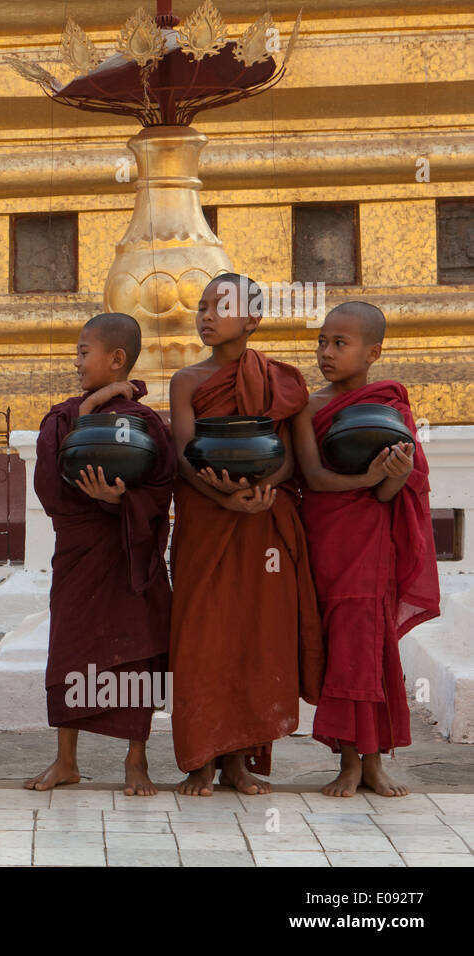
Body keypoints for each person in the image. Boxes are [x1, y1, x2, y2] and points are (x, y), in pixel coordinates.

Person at [168, 273, 323, 796]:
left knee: (255, 636)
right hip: (206, 519)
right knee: (202, 635)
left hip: (264, 522)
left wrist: (262, 491)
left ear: (253, 319)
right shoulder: (186, 381)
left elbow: (295, 459)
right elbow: (185, 455)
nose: (206, 315)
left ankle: (238, 762)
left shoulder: (283, 379)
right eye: (202, 306)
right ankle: (200, 761)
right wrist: (223, 498)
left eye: (221, 307)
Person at [291, 301, 440, 798]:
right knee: (340, 647)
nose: (326, 352)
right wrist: (370, 476)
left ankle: (370, 762)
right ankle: (349, 762)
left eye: (340, 343)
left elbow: (391, 490)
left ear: (373, 352)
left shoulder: (391, 406)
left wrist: (387, 479)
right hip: (326, 536)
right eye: (322, 342)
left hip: (370, 542)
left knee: (369, 647)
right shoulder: (310, 407)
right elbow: (312, 477)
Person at [27, 313, 174, 796]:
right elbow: (50, 486)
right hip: (81, 552)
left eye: (83, 352)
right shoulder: (64, 416)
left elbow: (160, 487)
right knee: (72, 649)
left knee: (136, 652)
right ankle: (65, 759)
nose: (76, 361)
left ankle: (137, 761)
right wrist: (91, 407)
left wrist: (121, 502)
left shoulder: (146, 422)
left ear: (116, 359)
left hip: (128, 555)